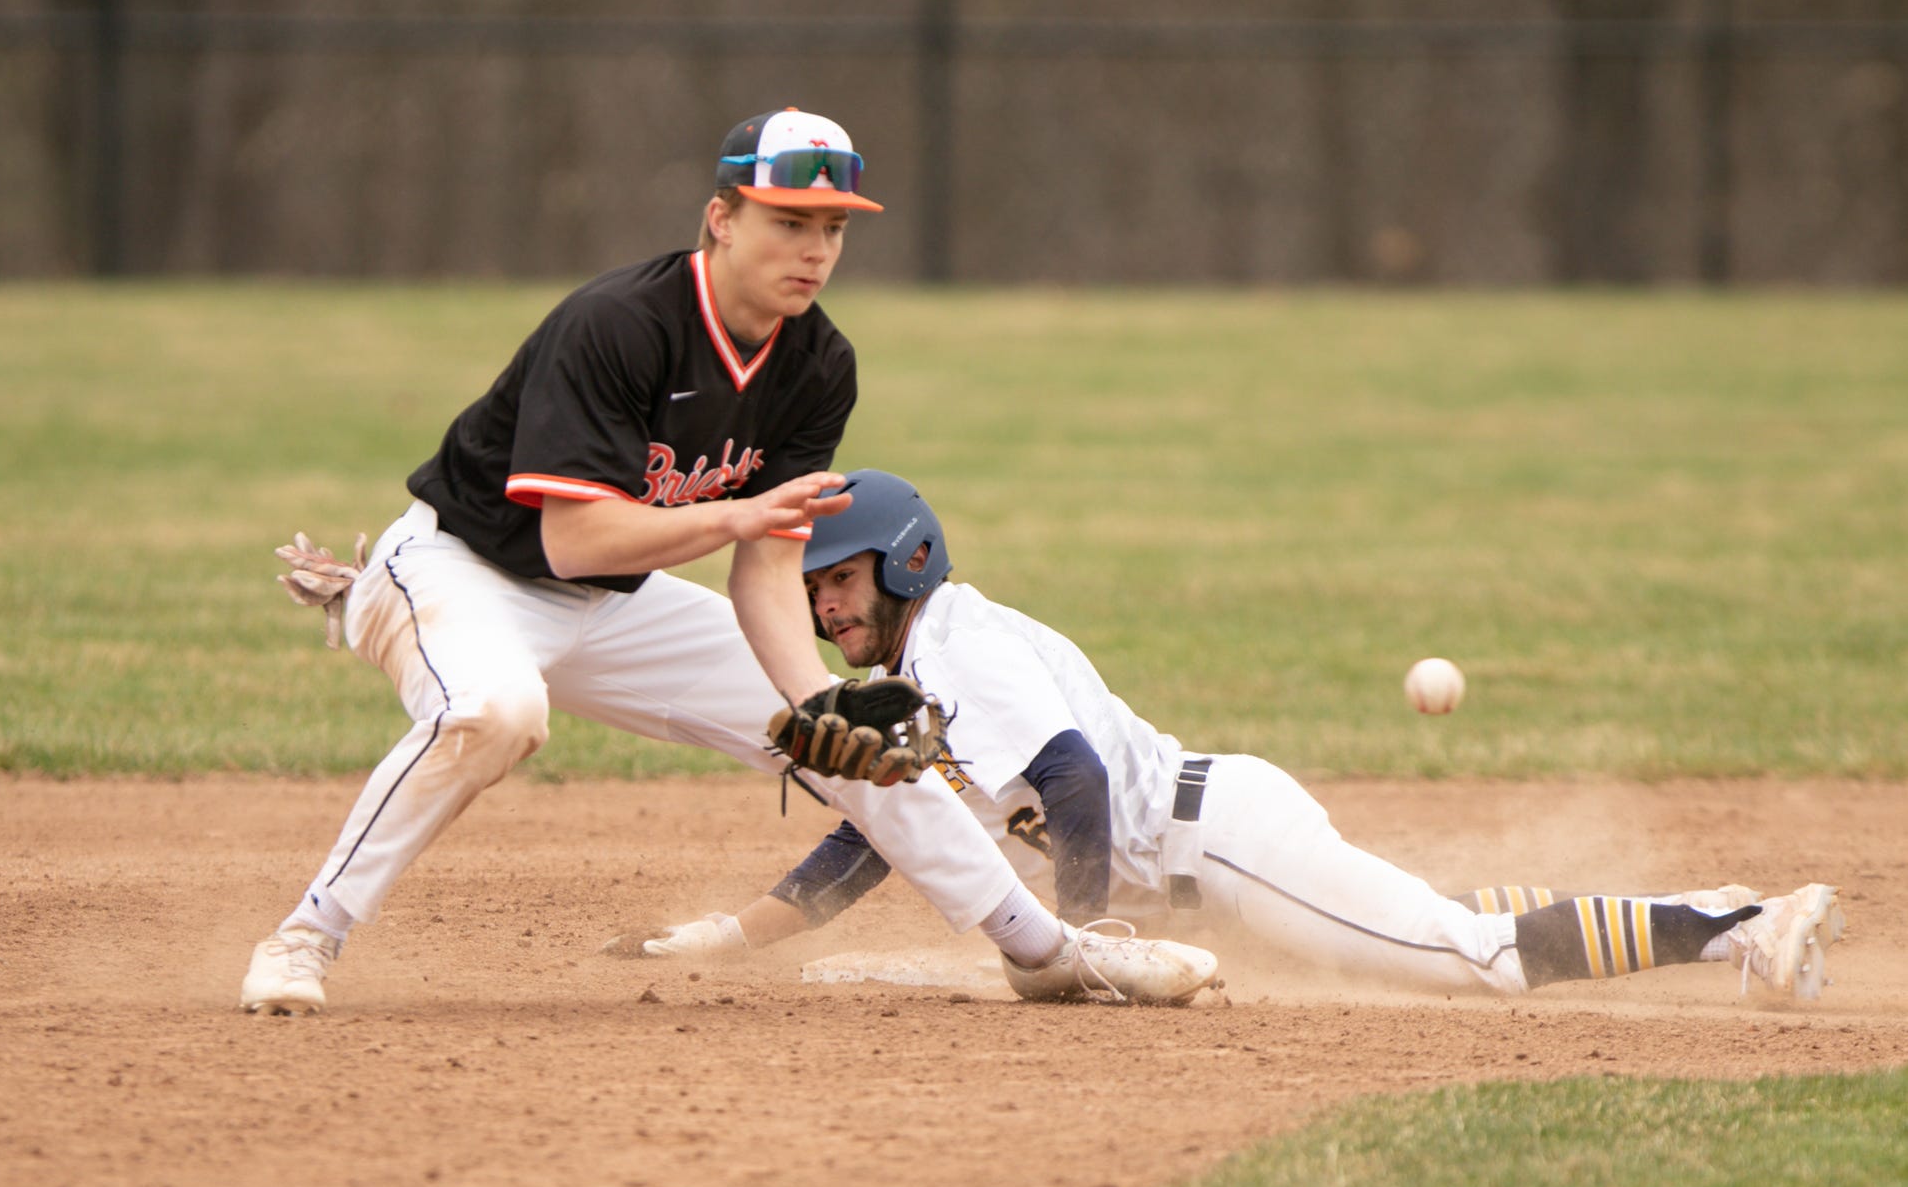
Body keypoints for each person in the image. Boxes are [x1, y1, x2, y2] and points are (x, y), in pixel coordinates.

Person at [241, 111, 1219, 1015]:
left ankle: (1044, 952)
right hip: (465, 570)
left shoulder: (816, 365)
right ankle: (303, 938)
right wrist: (739, 512)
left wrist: (811, 708)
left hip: (610, 604)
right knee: (497, 713)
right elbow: (571, 539)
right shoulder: (618, 325)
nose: (815, 250)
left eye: (833, 229)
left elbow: (763, 571)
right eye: (790, 220)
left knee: (875, 743)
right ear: (720, 218)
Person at [638, 469, 1848, 1003]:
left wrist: (1080, 940)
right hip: (1208, 855)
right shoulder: (911, 672)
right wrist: (729, 938)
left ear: (903, 563)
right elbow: (879, 836)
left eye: (839, 581)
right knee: (1428, 921)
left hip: (1216, 843)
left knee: (1461, 957)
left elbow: (1067, 775)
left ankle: (1741, 927)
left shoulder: (957, 643)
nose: (821, 607)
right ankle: (1716, 909)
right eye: (815, 591)